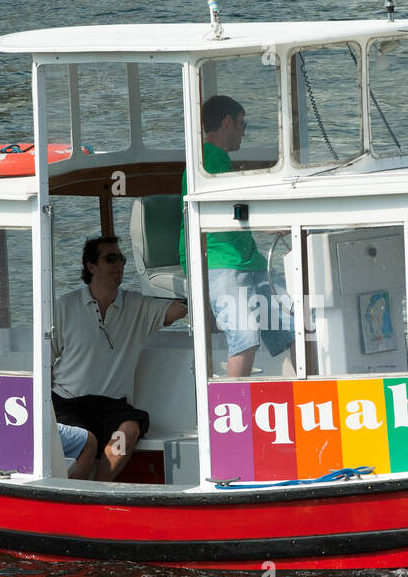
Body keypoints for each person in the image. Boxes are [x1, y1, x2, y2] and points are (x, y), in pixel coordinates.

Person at [52, 235, 186, 481]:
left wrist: (196, 284)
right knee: (86, 442)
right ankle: (75, 502)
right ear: (91, 266)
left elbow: (177, 309)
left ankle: (100, 491)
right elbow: (45, 360)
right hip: (67, 401)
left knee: (127, 432)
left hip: (111, 406)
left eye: (122, 259)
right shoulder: (65, 306)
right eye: (111, 259)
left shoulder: (137, 306)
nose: (119, 265)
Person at [179, 94, 294, 377]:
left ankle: (299, 395)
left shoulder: (217, 159)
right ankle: (234, 411)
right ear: (228, 122)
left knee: (294, 328)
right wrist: (265, 224)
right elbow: (224, 206)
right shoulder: (210, 157)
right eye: (244, 124)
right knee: (245, 337)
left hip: (248, 261)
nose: (244, 131)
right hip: (221, 263)